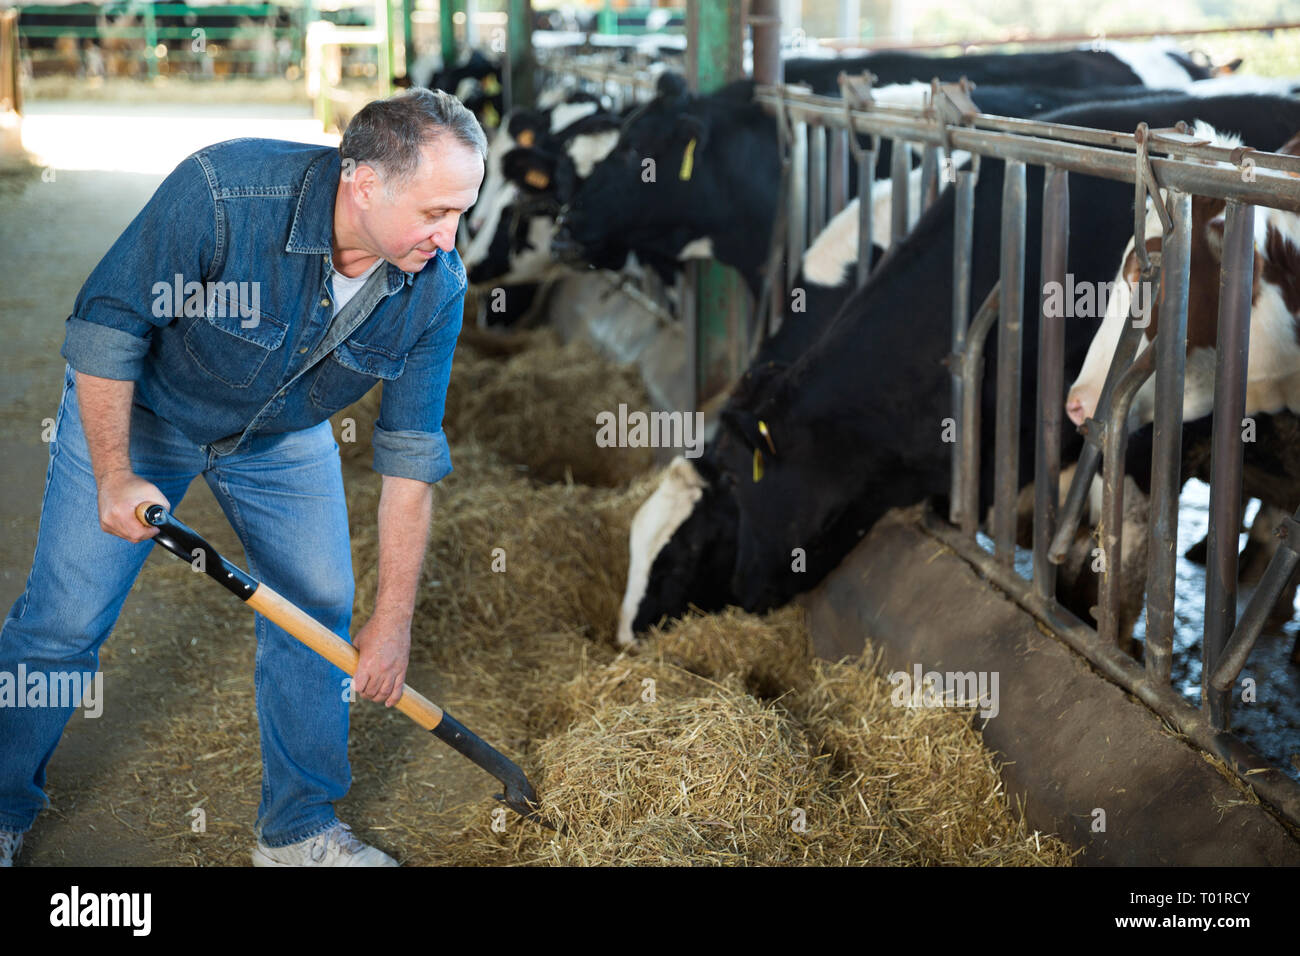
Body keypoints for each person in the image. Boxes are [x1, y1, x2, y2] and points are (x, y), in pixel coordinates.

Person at [0, 88, 486, 867]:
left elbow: (409, 454)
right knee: (64, 620)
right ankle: (2, 806)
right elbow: (107, 324)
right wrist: (116, 474)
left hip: (279, 434)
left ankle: (297, 830)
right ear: (364, 183)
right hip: (146, 415)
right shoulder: (225, 192)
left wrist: (392, 621)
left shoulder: (436, 286)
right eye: (436, 211)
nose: (450, 235)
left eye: (462, 211)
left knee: (318, 611)